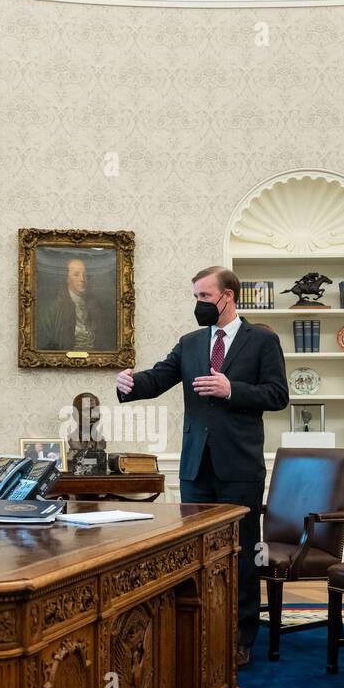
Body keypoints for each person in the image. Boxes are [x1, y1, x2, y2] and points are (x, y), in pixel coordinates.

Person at [116, 266, 289, 667]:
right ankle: (196, 629)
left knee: (242, 552)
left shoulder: (262, 340)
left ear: (228, 296)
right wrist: (129, 384)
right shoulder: (191, 343)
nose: (199, 305)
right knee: (193, 552)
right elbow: (158, 378)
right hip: (196, 466)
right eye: (195, 297)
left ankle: (241, 638)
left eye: (205, 298)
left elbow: (278, 394)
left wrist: (233, 389)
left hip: (239, 466)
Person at [37, 256, 116, 351]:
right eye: (76, 274)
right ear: (66, 279)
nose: (82, 279)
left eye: (85, 274)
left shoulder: (96, 306)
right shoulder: (51, 308)